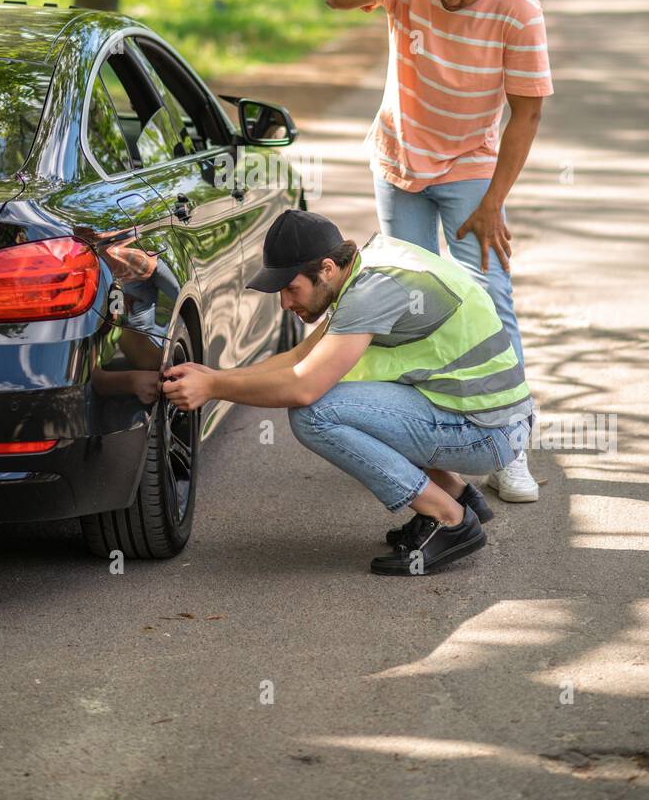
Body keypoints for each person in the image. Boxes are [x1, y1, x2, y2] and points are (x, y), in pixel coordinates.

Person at [161, 210, 534, 578]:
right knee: (344, 397)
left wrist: (213, 388)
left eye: (291, 289)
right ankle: (454, 495)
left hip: (487, 432)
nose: (285, 304)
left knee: (315, 413)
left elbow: (304, 386)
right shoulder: (364, 271)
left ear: (325, 268)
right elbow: (299, 356)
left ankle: (449, 519)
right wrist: (216, 376)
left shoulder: (372, 291)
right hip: (487, 418)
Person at [325, 0, 552, 503]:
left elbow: (525, 115)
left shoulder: (518, 10)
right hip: (398, 160)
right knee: (406, 304)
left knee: (490, 293)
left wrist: (494, 202)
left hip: (470, 168)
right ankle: (418, 439)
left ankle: (510, 445)